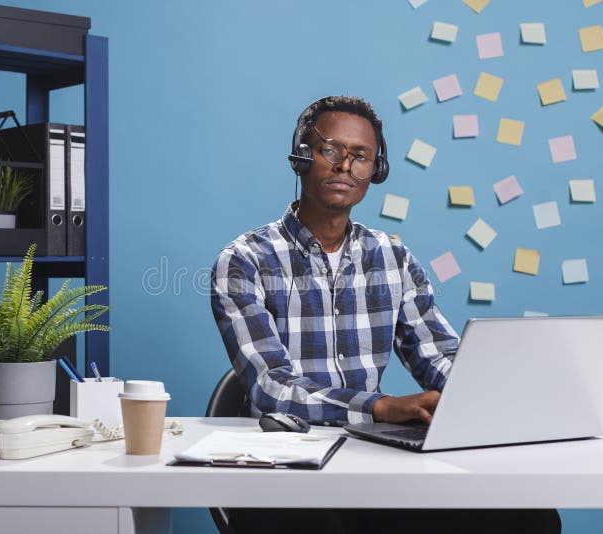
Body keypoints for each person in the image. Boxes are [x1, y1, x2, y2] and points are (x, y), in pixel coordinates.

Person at [210, 96, 561, 534]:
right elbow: (272, 388)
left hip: (370, 463)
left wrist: (483, 397)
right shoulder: (245, 260)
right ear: (302, 155)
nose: (345, 166)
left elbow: (435, 354)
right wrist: (380, 407)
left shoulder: (391, 257)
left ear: (376, 171)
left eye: (361, 157)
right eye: (331, 150)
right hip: (283, 470)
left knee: (529, 519)